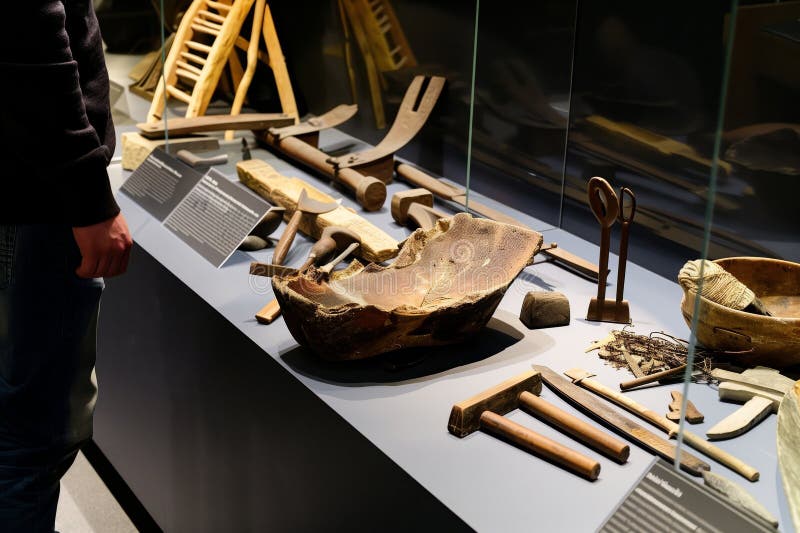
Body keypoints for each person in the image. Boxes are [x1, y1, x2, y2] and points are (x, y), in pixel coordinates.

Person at [0, 2, 133, 531]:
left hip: (22, 190)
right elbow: (29, 38)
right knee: (28, 438)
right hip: (32, 201)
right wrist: (88, 198)